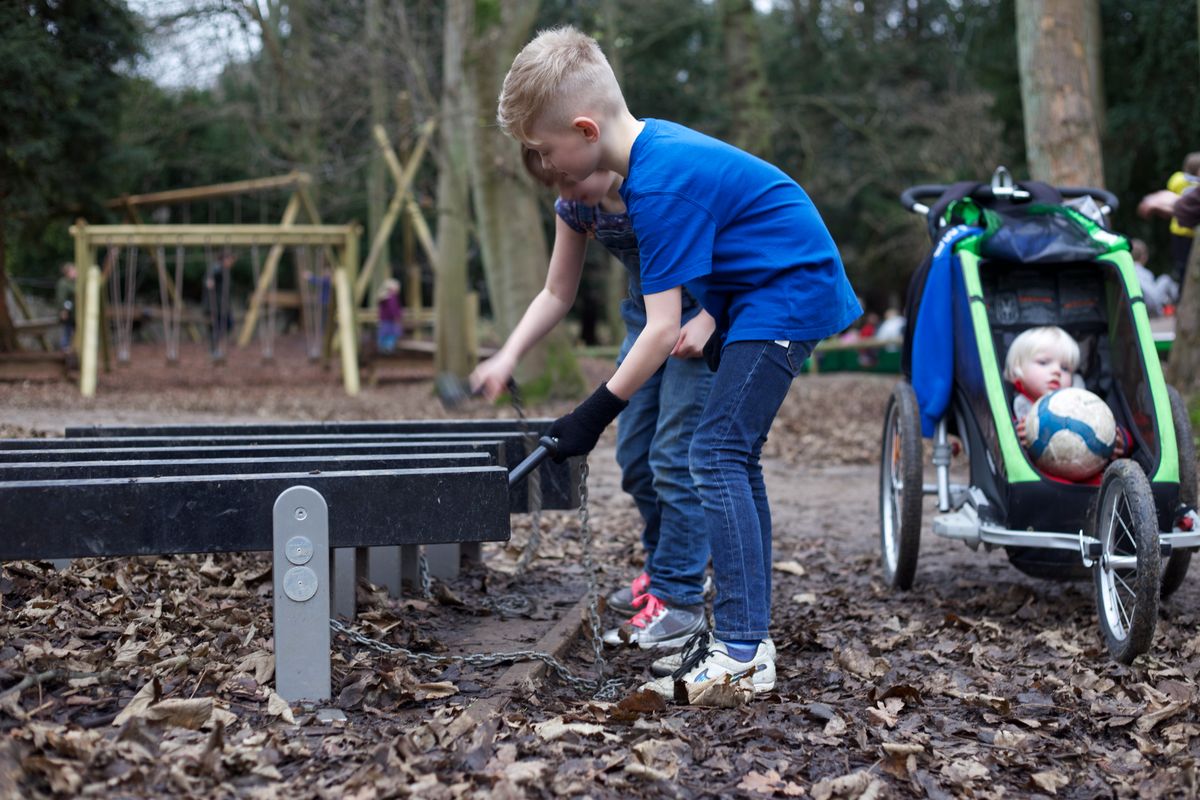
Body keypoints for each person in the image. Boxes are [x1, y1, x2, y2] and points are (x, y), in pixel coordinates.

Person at [496, 26, 861, 699]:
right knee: (728, 455)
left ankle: (742, 651)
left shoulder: (658, 184)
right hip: (762, 292)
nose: (549, 168)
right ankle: (744, 639)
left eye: (547, 152)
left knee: (716, 452)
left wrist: (588, 417)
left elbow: (662, 330)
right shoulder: (650, 159)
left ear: (583, 129)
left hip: (786, 291)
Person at [471, 146, 715, 650]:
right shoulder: (578, 209)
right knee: (636, 459)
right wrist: (508, 354)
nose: (566, 195)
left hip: (699, 321)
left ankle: (681, 595)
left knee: (674, 458)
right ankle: (666, 567)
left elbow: (732, 247)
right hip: (643, 325)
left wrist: (713, 319)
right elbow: (557, 293)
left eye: (569, 180)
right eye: (556, 186)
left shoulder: (656, 185)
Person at [1004, 326, 1128, 464]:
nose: (1056, 371)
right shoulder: (1010, 410)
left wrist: (1120, 440)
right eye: (1043, 362)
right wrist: (1015, 438)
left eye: (1065, 368)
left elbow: (1106, 423)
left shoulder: (1080, 404)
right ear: (1017, 369)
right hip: (1039, 480)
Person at [1129, 239, 1178, 317]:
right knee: (1165, 279)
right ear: (1144, 257)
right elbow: (1153, 294)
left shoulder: (1128, 271)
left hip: (1138, 304)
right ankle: (1180, 301)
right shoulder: (1146, 273)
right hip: (1152, 303)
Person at [204, 251, 236, 359]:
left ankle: (215, 349)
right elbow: (211, 276)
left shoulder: (224, 270)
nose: (232, 263)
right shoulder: (218, 268)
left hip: (222, 305)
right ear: (224, 260)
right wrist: (209, 281)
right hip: (216, 306)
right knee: (218, 327)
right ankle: (214, 350)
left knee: (227, 324)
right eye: (230, 260)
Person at [377, 277, 404, 353]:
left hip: (384, 319)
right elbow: (393, 308)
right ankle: (388, 348)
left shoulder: (384, 297)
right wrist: (397, 316)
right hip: (391, 319)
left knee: (383, 333)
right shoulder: (392, 297)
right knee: (392, 334)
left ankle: (381, 347)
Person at [54, 262, 76, 352]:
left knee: (71, 331)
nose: (76, 272)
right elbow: (63, 299)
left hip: (73, 313)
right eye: (74, 270)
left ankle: (69, 347)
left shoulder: (73, 282)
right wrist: (64, 311)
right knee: (67, 331)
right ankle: (64, 348)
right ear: (68, 272)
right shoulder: (64, 283)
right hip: (68, 313)